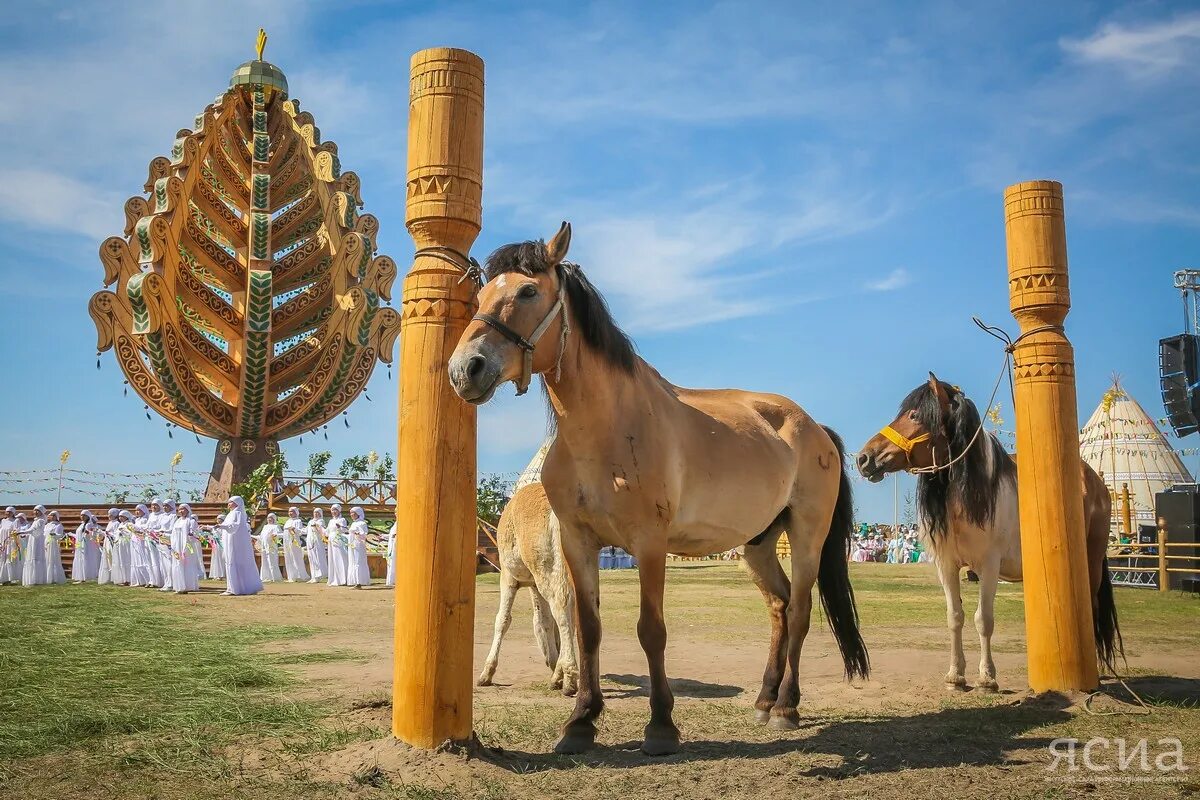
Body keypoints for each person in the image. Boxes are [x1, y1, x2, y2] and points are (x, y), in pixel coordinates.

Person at [211, 496, 263, 596]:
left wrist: (221, 526)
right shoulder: (231, 514)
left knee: (235, 562)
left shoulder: (237, 513)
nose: (229, 504)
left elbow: (234, 526)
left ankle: (235, 588)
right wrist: (210, 527)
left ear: (237, 503)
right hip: (231, 541)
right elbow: (226, 527)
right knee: (232, 563)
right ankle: (234, 587)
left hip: (235, 543)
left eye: (231, 502)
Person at [169, 503, 201, 594]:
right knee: (178, 564)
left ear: (188, 510)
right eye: (179, 509)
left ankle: (189, 586)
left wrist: (191, 535)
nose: (181, 511)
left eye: (183, 509)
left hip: (187, 546)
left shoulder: (191, 521)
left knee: (188, 564)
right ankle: (179, 585)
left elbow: (194, 534)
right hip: (177, 546)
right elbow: (174, 534)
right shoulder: (177, 521)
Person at [19, 506, 49, 587]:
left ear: (41, 512)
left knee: (36, 556)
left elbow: (34, 530)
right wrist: (24, 535)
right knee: (32, 556)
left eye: (37, 511)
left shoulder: (41, 521)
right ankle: (32, 579)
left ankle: (37, 579)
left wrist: (21, 532)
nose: (35, 512)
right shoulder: (35, 521)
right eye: (34, 510)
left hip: (38, 540)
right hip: (33, 540)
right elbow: (31, 531)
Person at [71, 510, 100, 583]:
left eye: (84, 515)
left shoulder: (89, 525)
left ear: (88, 516)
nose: (82, 517)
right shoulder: (81, 525)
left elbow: (92, 534)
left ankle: (85, 576)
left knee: (85, 558)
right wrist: (71, 534)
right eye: (81, 515)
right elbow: (79, 535)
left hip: (86, 544)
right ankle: (80, 576)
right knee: (79, 558)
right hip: (79, 544)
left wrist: (89, 532)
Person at [345, 507, 372, 589]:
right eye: (351, 513)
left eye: (353, 513)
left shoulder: (362, 523)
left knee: (358, 562)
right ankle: (355, 581)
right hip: (352, 544)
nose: (351, 515)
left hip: (358, 545)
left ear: (358, 513)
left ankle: (359, 582)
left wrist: (358, 533)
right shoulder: (353, 524)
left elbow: (364, 534)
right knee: (353, 561)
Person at [280, 507, 309, 582]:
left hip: (294, 541)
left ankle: (299, 575)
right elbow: (284, 533)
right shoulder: (287, 521)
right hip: (287, 541)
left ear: (296, 512)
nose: (290, 513)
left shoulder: (298, 521)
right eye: (289, 511)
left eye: (292, 511)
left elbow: (300, 532)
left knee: (296, 557)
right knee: (288, 557)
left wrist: (294, 529)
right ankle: (291, 576)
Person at [326, 503, 348, 587]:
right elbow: (327, 532)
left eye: (335, 510)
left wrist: (339, 527)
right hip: (331, 540)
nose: (334, 512)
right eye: (332, 510)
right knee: (333, 559)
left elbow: (344, 530)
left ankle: (343, 579)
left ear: (339, 511)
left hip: (339, 540)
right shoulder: (331, 521)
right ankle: (334, 579)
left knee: (340, 558)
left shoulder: (342, 519)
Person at [257, 513, 284, 583]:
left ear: (274, 519)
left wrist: (275, 535)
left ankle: (275, 577)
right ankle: (265, 577)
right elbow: (261, 536)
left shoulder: (276, 526)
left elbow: (281, 535)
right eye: (268, 518)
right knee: (264, 561)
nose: (269, 519)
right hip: (264, 546)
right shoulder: (265, 526)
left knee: (272, 561)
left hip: (271, 546)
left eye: (271, 518)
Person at [97, 508, 121, 586]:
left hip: (112, 543)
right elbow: (107, 533)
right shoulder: (110, 523)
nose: (109, 516)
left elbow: (116, 534)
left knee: (112, 558)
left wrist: (109, 534)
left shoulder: (117, 523)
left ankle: (115, 577)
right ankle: (110, 576)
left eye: (110, 515)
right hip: (107, 542)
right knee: (108, 558)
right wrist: (102, 532)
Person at [305, 508, 328, 583]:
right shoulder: (310, 521)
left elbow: (321, 530)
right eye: (315, 512)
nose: (316, 514)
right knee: (311, 558)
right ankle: (313, 576)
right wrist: (295, 530)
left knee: (317, 557)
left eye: (318, 513)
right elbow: (306, 530)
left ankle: (318, 576)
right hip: (310, 541)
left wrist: (317, 526)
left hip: (317, 542)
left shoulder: (321, 521)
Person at [44, 510, 67, 584]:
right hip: (46, 543)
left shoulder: (58, 525)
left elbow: (60, 535)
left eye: (54, 515)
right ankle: (46, 577)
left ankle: (55, 577)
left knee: (53, 559)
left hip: (53, 544)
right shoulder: (47, 525)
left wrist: (54, 535)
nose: (52, 517)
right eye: (51, 515)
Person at [0, 507, 22, 584]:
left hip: (11, 542)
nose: (8, 513)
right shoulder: (3, 521)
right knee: (3, 558)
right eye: (7, 512)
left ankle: (11, 578)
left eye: (10, 512)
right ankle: (3, 578)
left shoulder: (16, 521)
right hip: (3, 543)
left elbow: (17, 530)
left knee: (10, 558)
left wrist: (13, 536)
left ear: (13, 513)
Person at [385, 520, 397, 588]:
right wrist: (383, 536)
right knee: (391, 562)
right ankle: (391, 580)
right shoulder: (396, 523)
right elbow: (391, 535)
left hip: (396, 545)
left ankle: (395, 580)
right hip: (392, 545)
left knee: (395, 562)